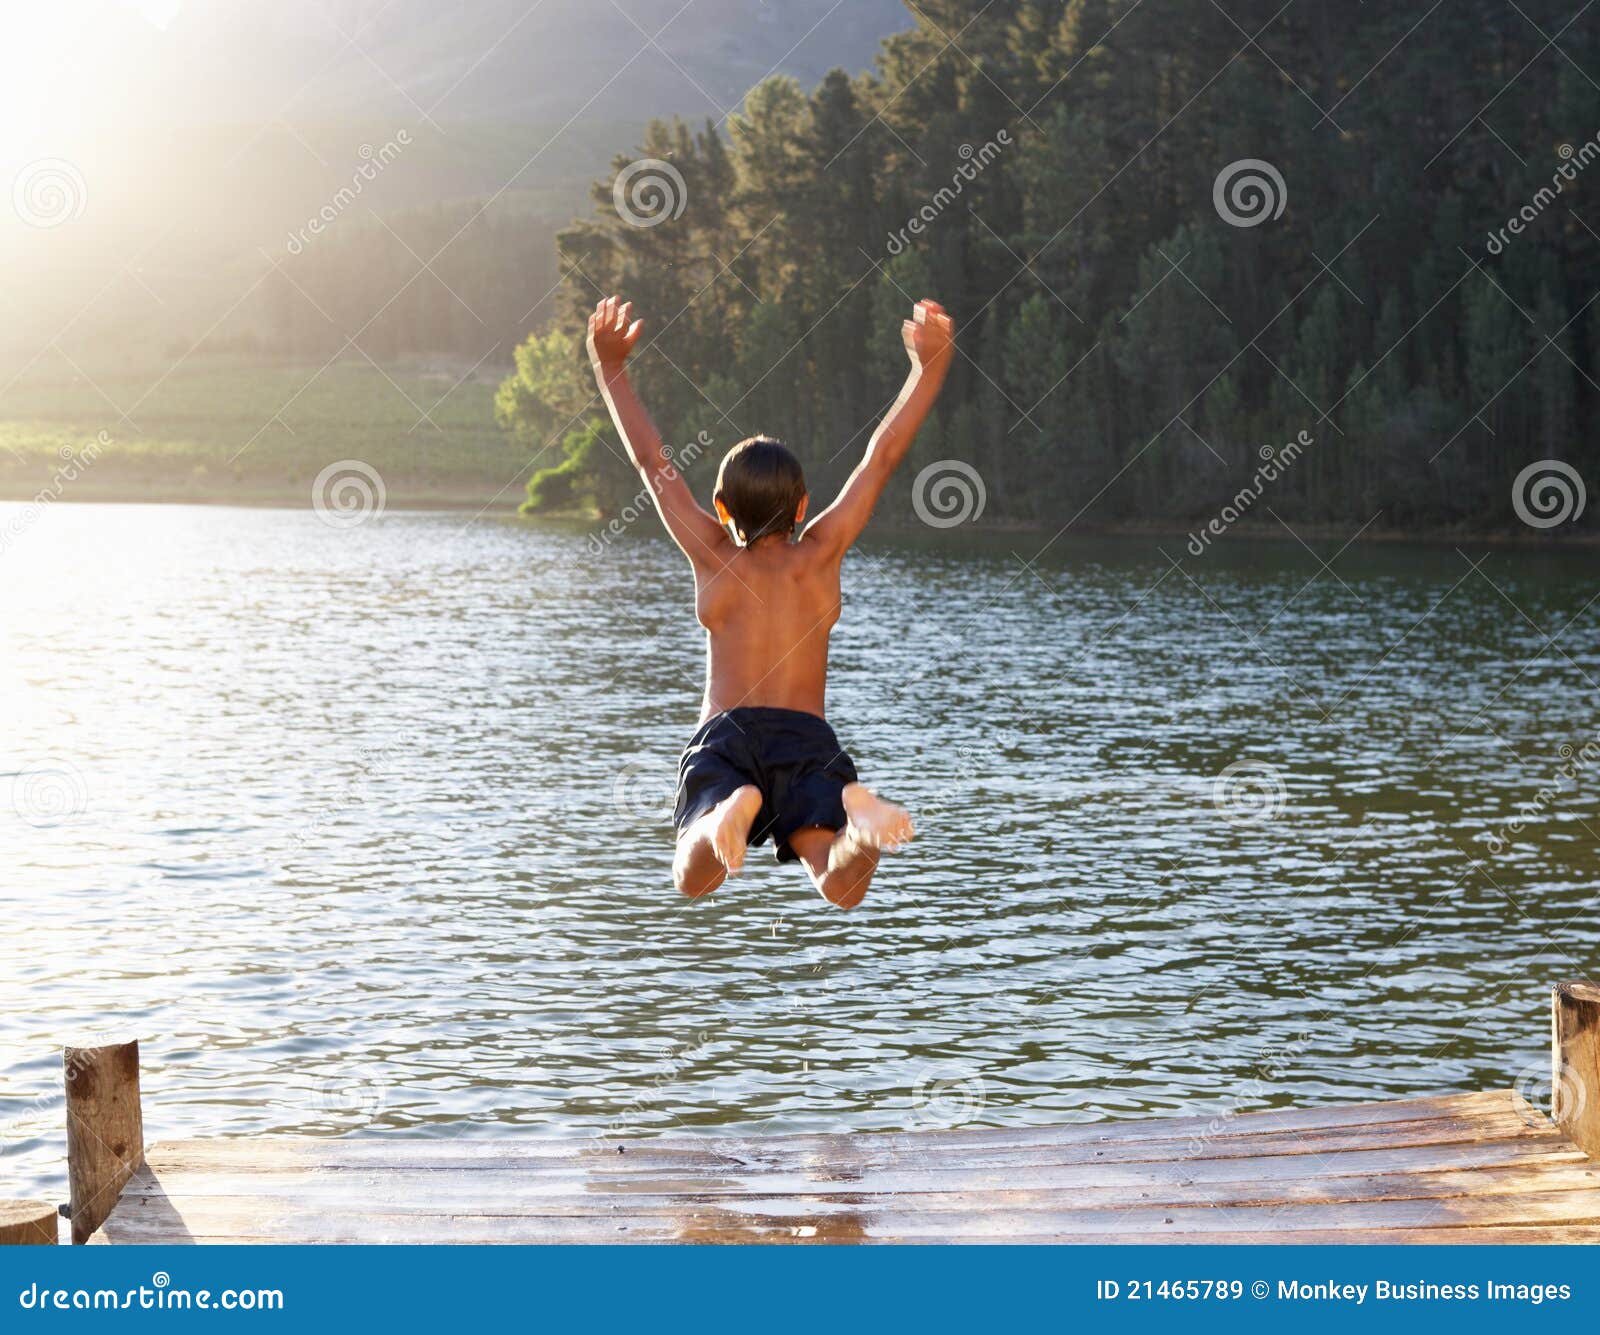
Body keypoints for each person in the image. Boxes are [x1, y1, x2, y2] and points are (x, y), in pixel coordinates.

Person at [587, 293, 955, 908]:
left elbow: (651, 462)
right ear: (804, 507)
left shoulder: (713, 555)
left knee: (693, 876)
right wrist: (930, 367)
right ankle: (859, 829)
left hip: (726, 738)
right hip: (806, 740)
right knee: (839, 885)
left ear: (723, 509)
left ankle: (725, 811)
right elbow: (882, 457)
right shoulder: (821, 554)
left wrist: (610, 368)